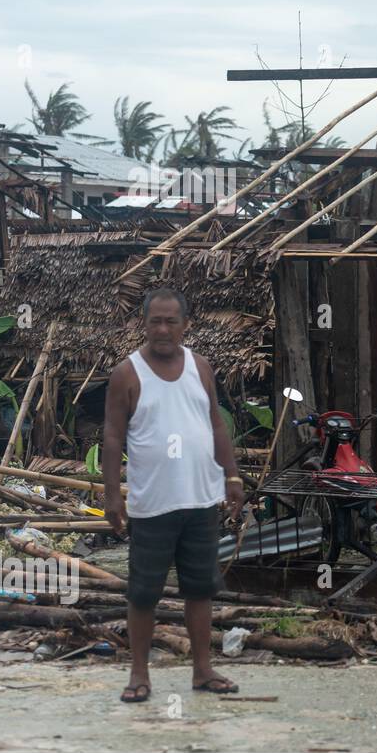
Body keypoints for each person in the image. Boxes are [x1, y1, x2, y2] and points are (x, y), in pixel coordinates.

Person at [104, 288, 245, 702]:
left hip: (201, 500)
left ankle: (203, 671)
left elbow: (216, 426)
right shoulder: (126, 374)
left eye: (171, 321)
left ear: (186, 324)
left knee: (200, 589)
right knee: (143, 593)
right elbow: (112, 437)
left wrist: (232, 476)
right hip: (152, 505)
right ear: (143, 324)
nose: (163, 329)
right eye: (155, 321)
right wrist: (113, 496)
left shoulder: (200, 367)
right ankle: (138, 675)